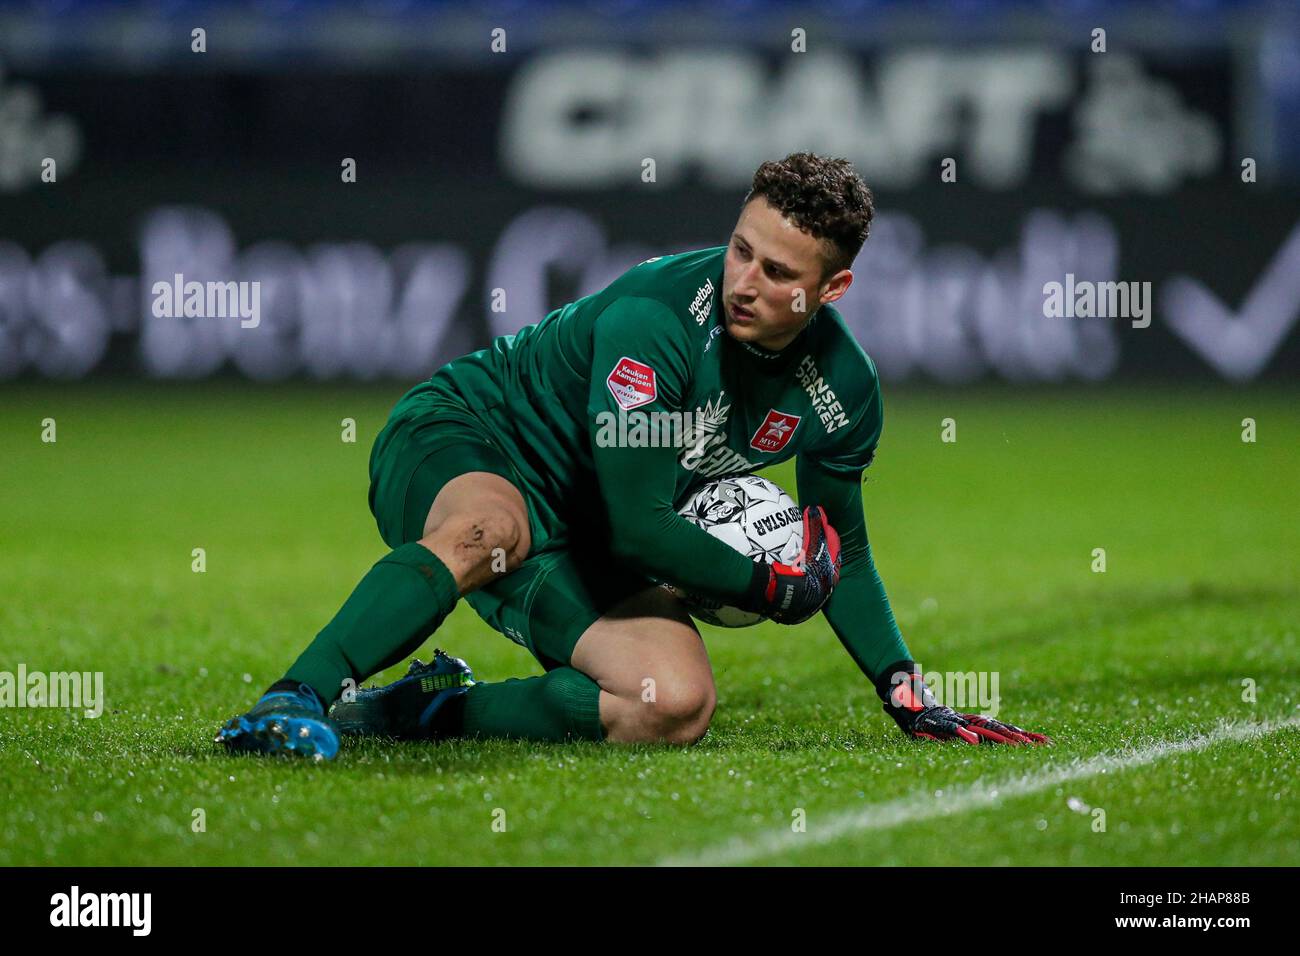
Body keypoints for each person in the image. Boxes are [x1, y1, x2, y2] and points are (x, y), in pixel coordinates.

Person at [216, 152, 1050, 760]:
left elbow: (842, 545)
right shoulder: (654, 324)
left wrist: (902, 688)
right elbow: (646, 528)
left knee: (673, 704)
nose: (745, 282)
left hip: (588, 523)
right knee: (490, 525)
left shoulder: (844, 389)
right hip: (472, 439)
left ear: (831, 292)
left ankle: (414, 713)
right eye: (740, 250)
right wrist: (770, 586)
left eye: (779, 272)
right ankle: (296, 695)